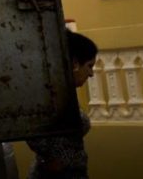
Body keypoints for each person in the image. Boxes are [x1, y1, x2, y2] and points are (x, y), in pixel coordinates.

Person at [27, 30, 98, 179]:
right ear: (75, 64)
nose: (91, 74)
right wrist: (51, 159)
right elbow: (33, 131)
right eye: (90, 66)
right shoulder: (49, 97)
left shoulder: (64, 94)